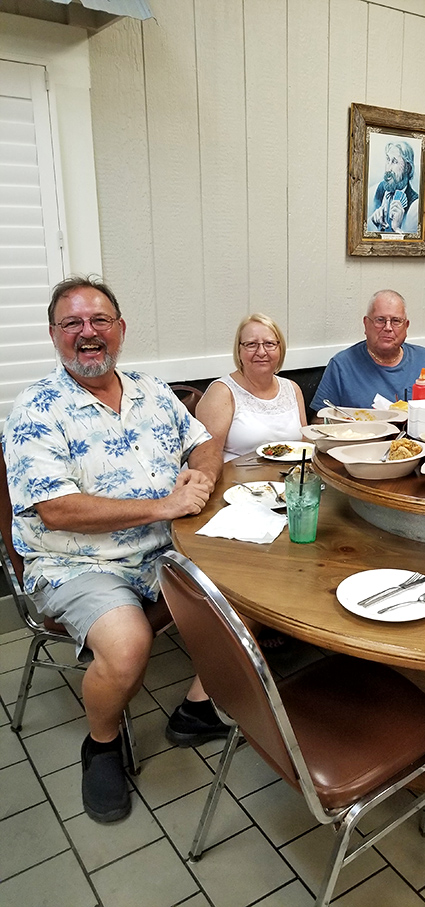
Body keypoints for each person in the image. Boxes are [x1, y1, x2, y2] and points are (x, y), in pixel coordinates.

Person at [2, 276, 227, 825]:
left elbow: (203, 442)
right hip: (78, 562)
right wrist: (165, 506)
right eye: (72, 323)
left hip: (166, 548)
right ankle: (101, 745)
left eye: (99, 320)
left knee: (254, 581)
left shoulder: (151, 389)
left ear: (120, 329)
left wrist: (199, 478)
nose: (88, 332)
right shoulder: (36, 408)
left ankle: (197, 708)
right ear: (53, 334)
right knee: (127, 647)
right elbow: (56, 510)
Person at [310, 290, 425, 412]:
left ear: (406, 326)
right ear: (366, 324)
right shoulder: (342, 365)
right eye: (380, 320)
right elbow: (321, 420)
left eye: (396, 321)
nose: (388, 327)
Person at [195, 313, 307, 461]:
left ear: (280, 349)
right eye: (251, 344)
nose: (261, 352)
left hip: (289, 473)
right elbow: (206, 458)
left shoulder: (292, 389)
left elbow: (305, 445)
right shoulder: (222, 392)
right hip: (235, 475)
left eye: (269, 344)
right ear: (239, 350)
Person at [368, 141, 419, 234]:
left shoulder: (415, 205)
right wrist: (373, 222)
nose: (388, 169)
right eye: (388, 159)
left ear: (407, 168)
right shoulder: (376, 190)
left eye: (395, 162)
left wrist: (396, 228)